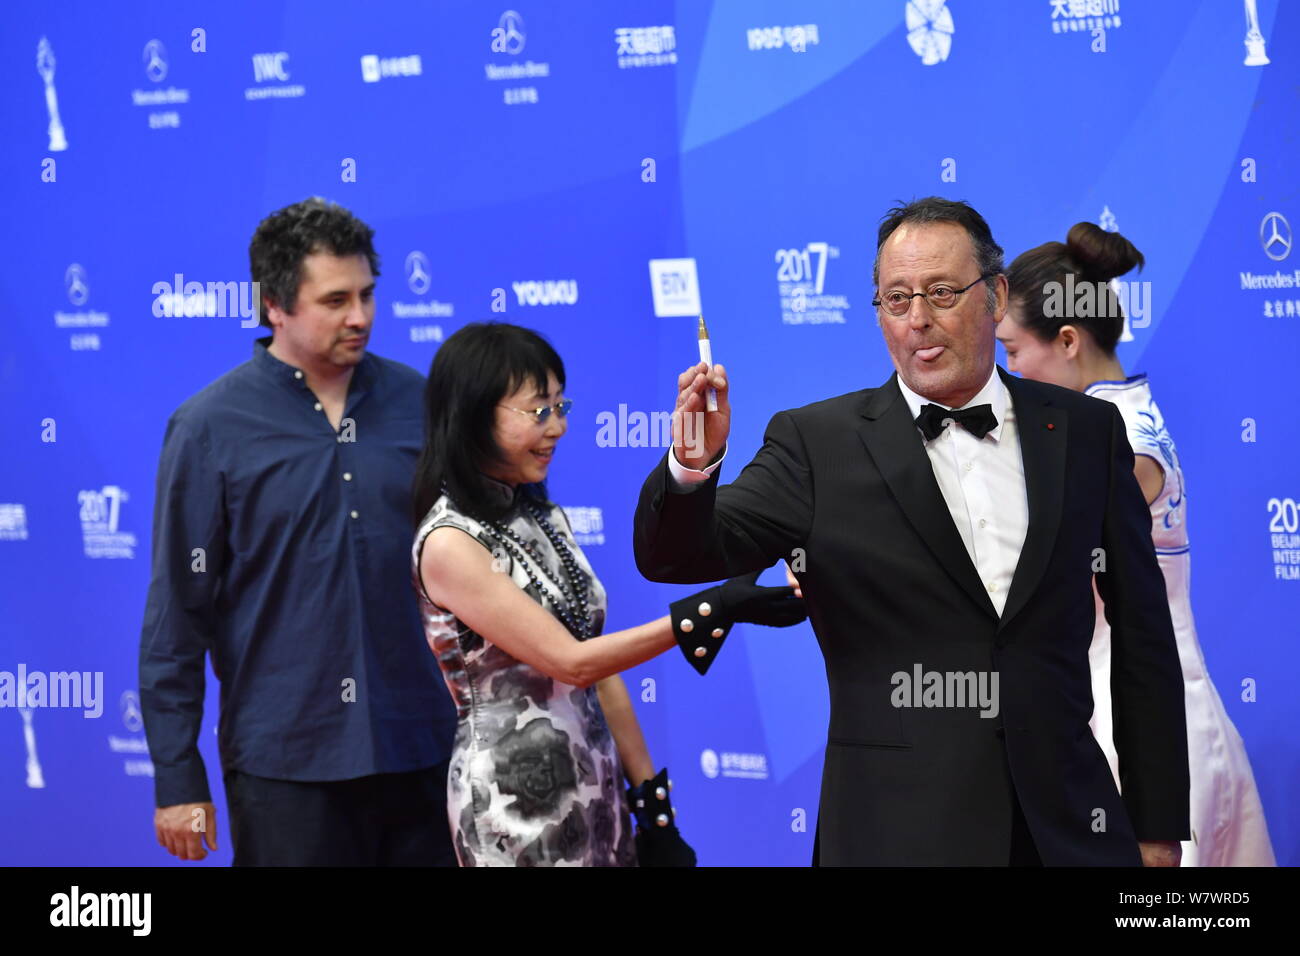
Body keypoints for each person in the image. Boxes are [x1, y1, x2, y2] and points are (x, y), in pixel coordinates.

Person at [633, 197, 1191, 866]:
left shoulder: (1086, 432)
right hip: (894, 835)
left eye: (942, 293)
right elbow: (677, 554)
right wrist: (693, 467)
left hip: (1069, 832)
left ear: (996, 296)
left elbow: (1143, 638)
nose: (918, 320)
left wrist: (1156, 828)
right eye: (896, 300)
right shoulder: (817, 444)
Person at [412, 322, 806, 867]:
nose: (559, 427)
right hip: (510, 813)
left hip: (597, 793)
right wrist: (710, 610)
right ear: (473, 418)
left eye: (560, 405)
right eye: (538, 411)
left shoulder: (543, 516)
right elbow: (571, 663)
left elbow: (598, 664)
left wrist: (653, 807)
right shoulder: (449, 543)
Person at [139, 197, 459, 865]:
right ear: (274, 306)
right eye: (335, 299)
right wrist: (177, 778)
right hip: (284, 766)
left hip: (427, 751)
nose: (361, 316)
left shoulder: (423, 405)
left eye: (368, 294)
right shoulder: (208, 428)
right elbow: (178, 616)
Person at [998, 222, 1276, 867]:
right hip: (1119, 715)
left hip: (1143, 734)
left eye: (1012, 352)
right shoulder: (1120, 420)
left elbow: (1028, 568)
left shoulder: (1122, 440)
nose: (1007, 373)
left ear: (1067, 340)